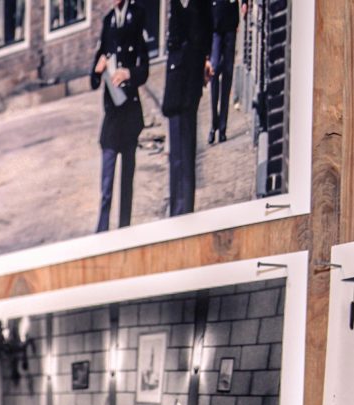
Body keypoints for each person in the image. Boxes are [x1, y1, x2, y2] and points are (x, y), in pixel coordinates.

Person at [91, 0, 152, 234]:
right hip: (112, 115)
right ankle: (102, 232)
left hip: (129, 113)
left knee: (127, 181)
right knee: (106, 184)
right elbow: (94, 79)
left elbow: (144, 69)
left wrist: (129, 73)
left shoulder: (137, 15)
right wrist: (97, 69)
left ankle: (124, 232)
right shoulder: (107, 21)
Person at [163, 0, 215, 218]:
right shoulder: (174, 4)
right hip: (176, 79)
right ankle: (176, 209)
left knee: (187, 149)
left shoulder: (200, 5)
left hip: (191, 77)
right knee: (176, 152)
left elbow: (207, 31)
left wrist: (206, 60)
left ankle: (185, 210)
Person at [210, 0, 242, 144]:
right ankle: (213, 123)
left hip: (230, 22)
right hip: (215, 24)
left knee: (227, 74)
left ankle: (222, 128)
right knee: (214, 71)